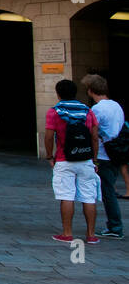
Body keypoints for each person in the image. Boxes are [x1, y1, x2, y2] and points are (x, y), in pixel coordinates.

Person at [46, 78, 101, 244]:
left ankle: (67, 233)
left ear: (58, 93)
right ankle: (91, 235)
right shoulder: (87, 111)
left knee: (66, 196)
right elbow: (94, 137)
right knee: (89, 197)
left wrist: (50, 156)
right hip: (85, 159)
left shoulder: (54, 112)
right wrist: (95, 159)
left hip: (64, 159)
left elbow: (49, 136)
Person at [85, 73, 125, 240]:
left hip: (103, 154)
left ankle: (115, 227)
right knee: (110, 188)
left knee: (107, 192)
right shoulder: (116, 106)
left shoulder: (97, 109)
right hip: (117, 152)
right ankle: (114, 225)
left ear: (90, 90)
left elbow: (91, 131)